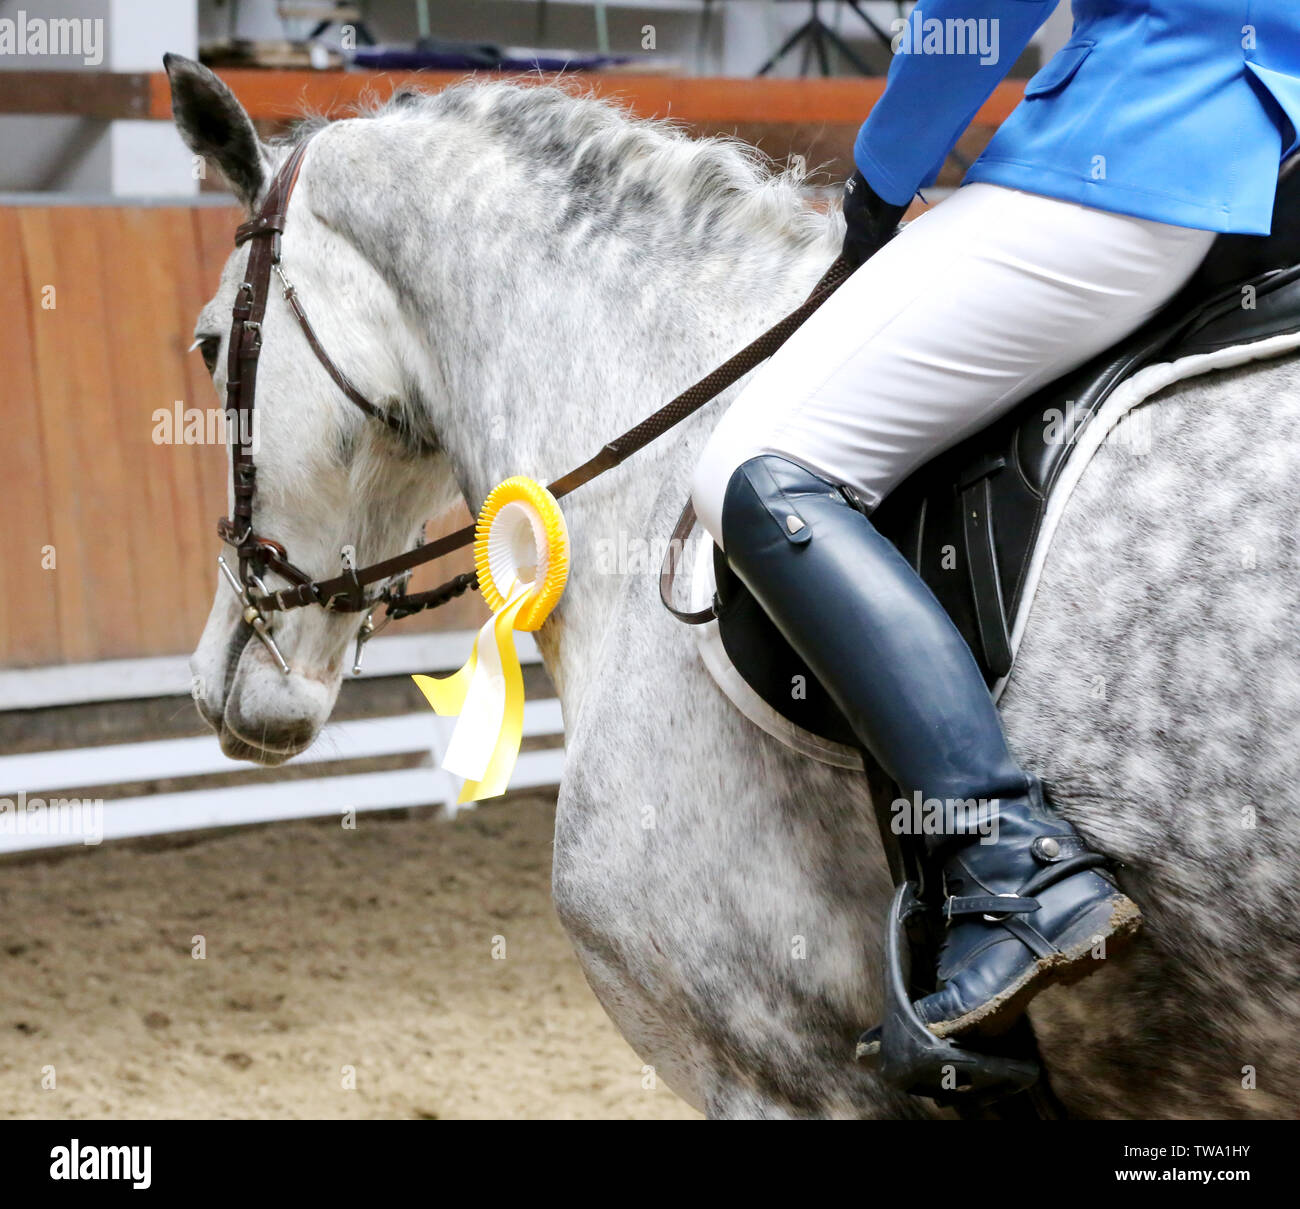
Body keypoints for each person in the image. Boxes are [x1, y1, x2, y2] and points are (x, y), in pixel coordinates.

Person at [690, 0, 1300, 1040]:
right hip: (1270, 162)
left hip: (1140, 141)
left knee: (756, 469)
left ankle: (1003, 857)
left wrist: (882, 182)